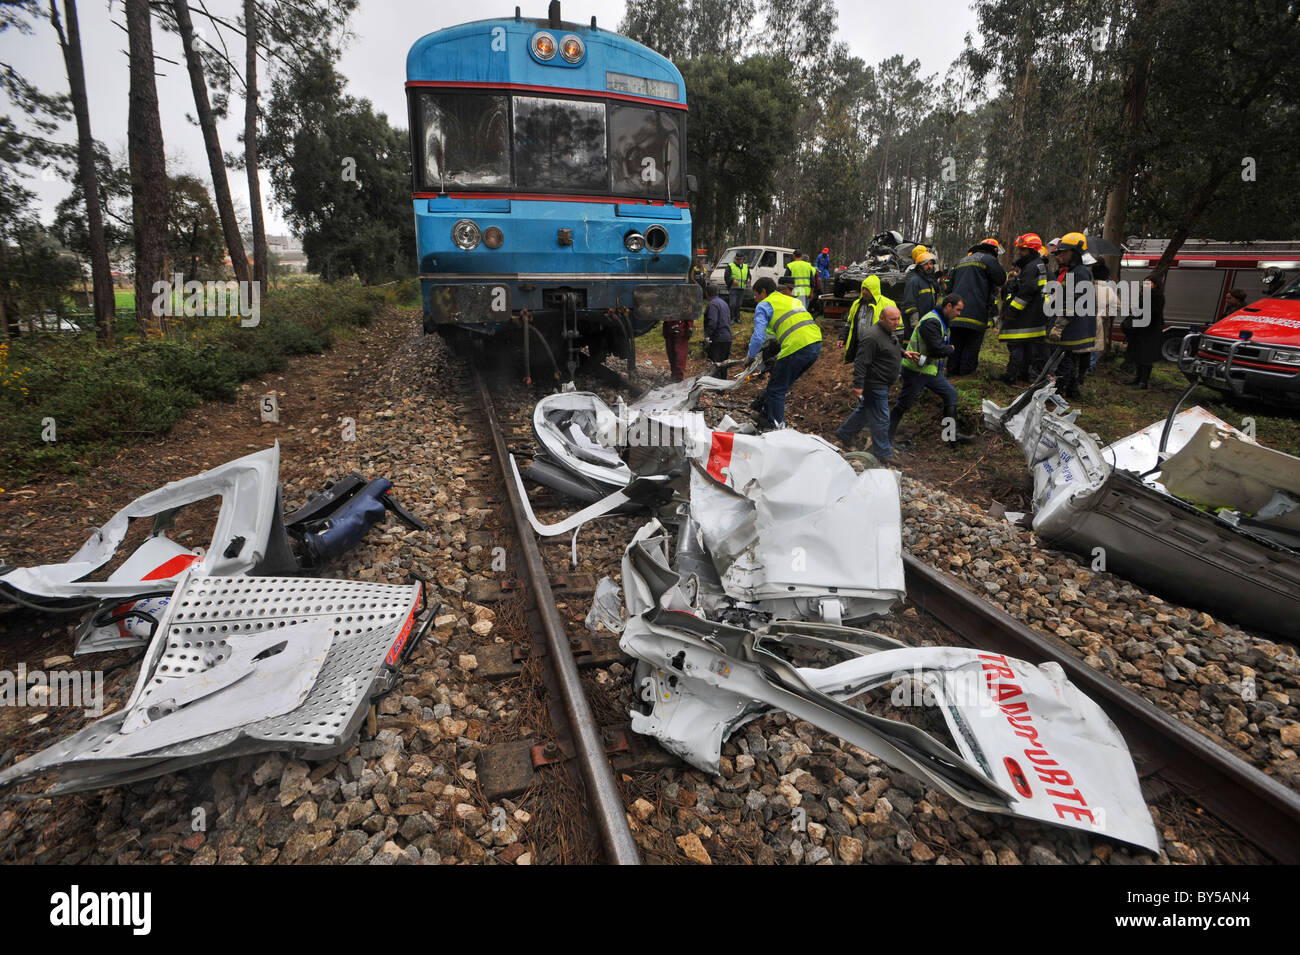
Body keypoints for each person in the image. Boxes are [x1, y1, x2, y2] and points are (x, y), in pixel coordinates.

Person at [889, 294, 973, 447]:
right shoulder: (931, 322)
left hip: (930, 371)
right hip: (916, 371)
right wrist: (950, 349)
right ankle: (887, 439)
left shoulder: (940, 320)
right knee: (903, 404)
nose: (959, 314)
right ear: (948, 306)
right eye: (958, 310)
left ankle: (951, 436)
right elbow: (937, 349)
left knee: (951, 394)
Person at [746, 275, 822, 429]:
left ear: (763, 292)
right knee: (779, 383)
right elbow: (786, 327)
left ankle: (776, 428)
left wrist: (751, 356)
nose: (755, 300)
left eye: (756, 295)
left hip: (797, 346)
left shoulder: (764, 305)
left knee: (776, 389)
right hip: (815, 343)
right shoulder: (791, 300)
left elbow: (759, 336)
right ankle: (766, 417)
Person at [835, 305, 908, 463]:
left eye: (898, 318)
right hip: (875, 383)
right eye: (893, 319)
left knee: (864, 412)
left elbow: (890, 346)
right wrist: (858, 384)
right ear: (882, 318)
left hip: (883, 382)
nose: (897, 322)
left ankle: (844, 433)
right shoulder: (871, 337)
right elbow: (861, 362)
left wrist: (904, 353)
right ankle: (883, 453)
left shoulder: (887, 332)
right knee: (882, 418)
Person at [947, 238, 1006, 376]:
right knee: (971, 346)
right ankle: (965, 376)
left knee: (956, 344)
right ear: (994, 251)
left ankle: (951, 373)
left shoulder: (960, 261)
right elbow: (1001, 279)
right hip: (976, 313)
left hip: (956, 313)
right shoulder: (990, 260)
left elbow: (949, 287)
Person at [1048, 232, 1096, 398]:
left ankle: (1058, 393)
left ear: (1075, 253)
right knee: (1067, 359)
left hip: (1071, 326)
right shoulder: (1071, 271)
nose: (1059, 256)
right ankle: (1072, 391)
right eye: (1058, 253)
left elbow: (1073, 301)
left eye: (1064, 253)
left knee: (1065, 359)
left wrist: (1059, 325)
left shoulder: (1079, 273)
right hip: (1071, 324)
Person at [997, 233, 1049, 383]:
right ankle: (1022, 374)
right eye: (1019, 249)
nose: (1019, 252)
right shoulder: (1037, 265)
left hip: (1025, 316)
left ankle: (1011, 375)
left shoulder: (1032, 268)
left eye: (1023, 250)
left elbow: (1026, 293)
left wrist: (1012, 310)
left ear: (1032, 251)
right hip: (1034, 315)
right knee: (1026, 346)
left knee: (1015, 343)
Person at [841, 274, 896, 362]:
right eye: (863, 288)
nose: (864, 292)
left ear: (874, 290)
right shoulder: (856, 304)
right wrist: (842, 337)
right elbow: (849, 323)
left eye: (868, 289)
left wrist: (892, 347)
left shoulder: (888, 304)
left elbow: (898, 328)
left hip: (878, 348)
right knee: (860, 371)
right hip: (860, 346)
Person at [1126, 272, 1165, 389]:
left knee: (1146, 357)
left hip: (1150, 331)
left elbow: (1154, 312)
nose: (1145, 285)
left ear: (1155, 284)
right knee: (1139, 355)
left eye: (1149, 283)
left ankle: (1143, 381)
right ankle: (1138, 379)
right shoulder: (1145, 295)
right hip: (1141, 330)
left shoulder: (1157, 296)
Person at [902, 245, 941, 339]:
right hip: (917, 325)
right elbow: (910, 303)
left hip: (928, 323)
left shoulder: (930, 281)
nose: (930, 267)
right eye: (926, 264)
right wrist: (915, 323)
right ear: (920, 266)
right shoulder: (914, 281)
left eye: (931, 264)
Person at [1090, 260, 1118, 372]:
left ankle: (1085, 365)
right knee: (1097, 341)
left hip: (1087, 316)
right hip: (1100, 316)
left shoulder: (1089, 284)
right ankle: (1091, 366)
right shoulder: (1108, 286)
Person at [702, 283, 732, 370]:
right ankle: (724, 382)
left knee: (715, 367)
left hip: (717, 340)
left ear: (707, 293)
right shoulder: (724, 303)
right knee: (724, 366)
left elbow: (712, 322)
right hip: (727, 338)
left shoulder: (712, 304)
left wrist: (707, 336)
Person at [662, 314, 693, 382]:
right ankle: (674, 375)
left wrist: (689, 327)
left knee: (680, 355)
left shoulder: (685, 306)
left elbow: (690, 314)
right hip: (670, 331)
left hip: (680, 332)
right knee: (672, 354)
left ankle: (678, 377)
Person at [725, 254, 750, 324]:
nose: (738, 260)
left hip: (742, 289)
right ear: (735, 259)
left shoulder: (746, 266)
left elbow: (748, 275)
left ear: (742, 259)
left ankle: (737, 318)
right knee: (733, 304)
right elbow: (726, 276)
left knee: (739, 304)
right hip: (733, 289)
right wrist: (732, 280)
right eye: (737, 259)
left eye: (740, 259)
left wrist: (748, 279)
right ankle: (732, 318)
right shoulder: (730, 266)